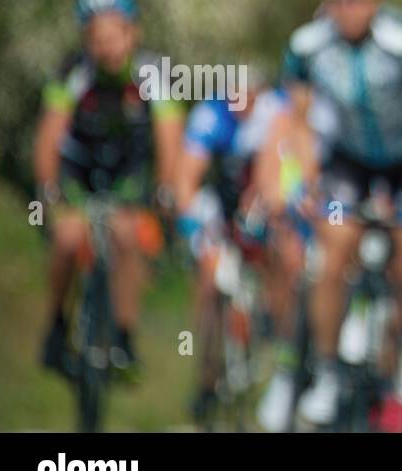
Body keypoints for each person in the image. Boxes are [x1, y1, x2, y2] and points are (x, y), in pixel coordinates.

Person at [282, 0, 402, 426]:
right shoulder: (307, 46)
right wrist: (305, 181)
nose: (349, 10)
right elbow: (299, 122)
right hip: (349, 162)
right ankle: (325, 367)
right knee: (331, 253)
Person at [36, 0, 183, 380]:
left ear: (133, 34)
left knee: (128, 233)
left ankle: (123, 335)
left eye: (116, 36)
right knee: (68, 236)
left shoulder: (153, 72)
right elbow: (49, 136)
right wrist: (48, 188)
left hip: (127, 170)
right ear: (87, 40)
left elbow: (169, 138)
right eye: (98, 39)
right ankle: (56, 325)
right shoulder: (73, 70)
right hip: (79, 166)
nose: (108, 47)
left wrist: (167, 189)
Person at [174, 77, 303, 426]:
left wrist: (266, 209)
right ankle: (206, 376)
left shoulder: (277, 111)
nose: (239, 99)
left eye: (247, 90)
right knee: (210, 279)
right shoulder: (209, 114)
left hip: (264, 203)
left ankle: (280, 343)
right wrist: (186, 217)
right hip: (219, 208)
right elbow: (187, 175)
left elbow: (275, 175)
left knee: (286, 255)